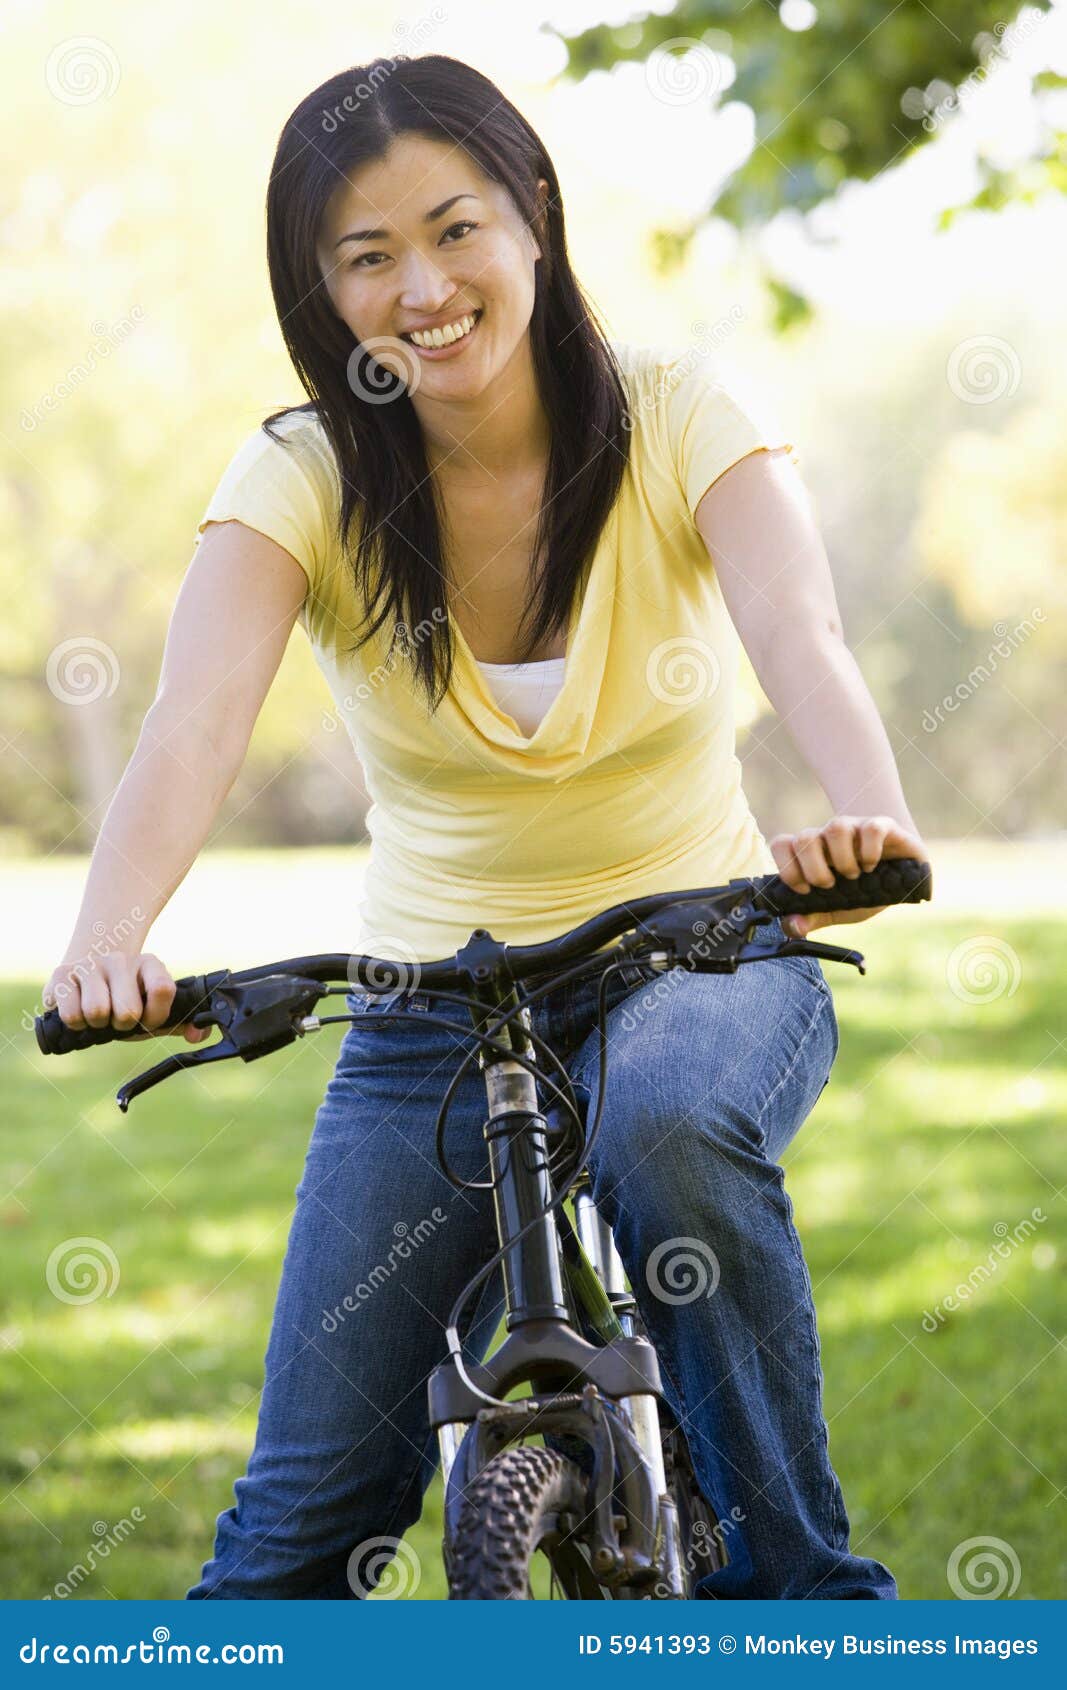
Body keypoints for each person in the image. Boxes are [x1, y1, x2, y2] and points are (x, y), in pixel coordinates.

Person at [44, 56, 928, 1600]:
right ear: (321, 291)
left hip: (699, 950)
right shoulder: (304, 474)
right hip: (430, 1003)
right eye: (366, 256)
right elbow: (193, 724)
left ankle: (805, 1609)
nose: (422, 289)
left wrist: (872, 818)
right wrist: (105, 940)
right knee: (290, 1537)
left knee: (670, 1128)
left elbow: (801, 632)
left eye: (455, 230)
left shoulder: (678, 413)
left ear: (535, 214)